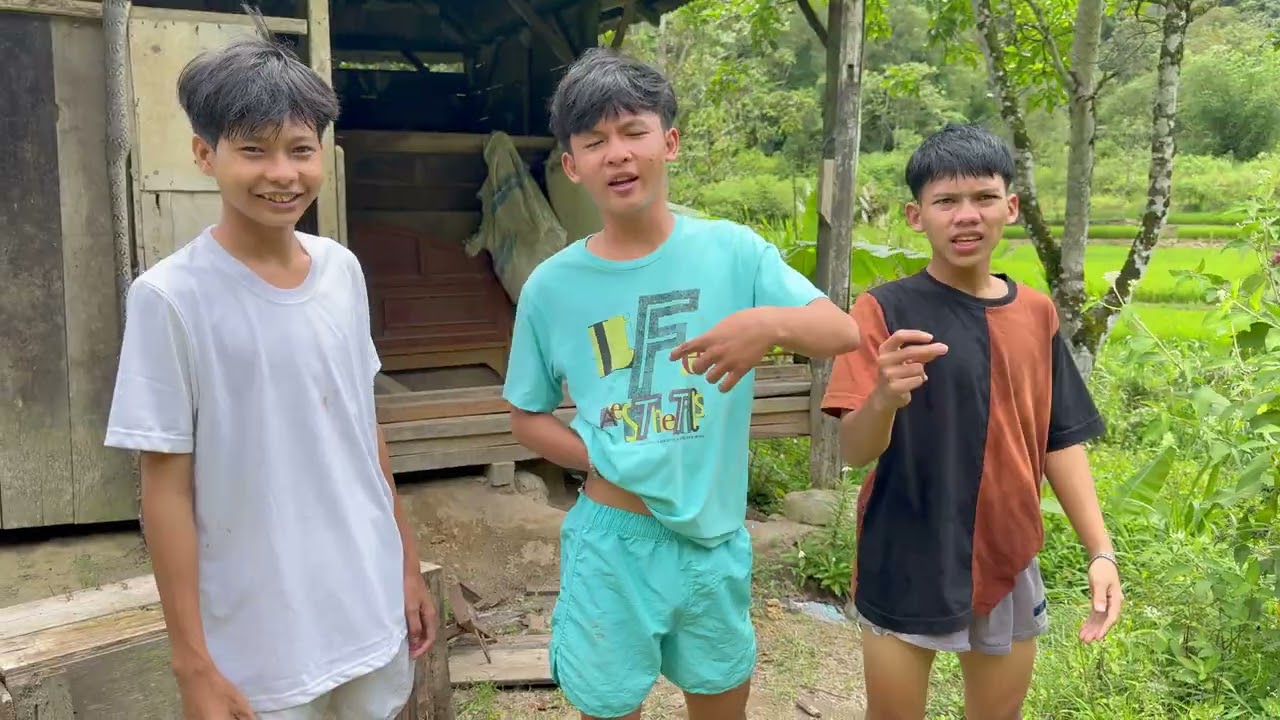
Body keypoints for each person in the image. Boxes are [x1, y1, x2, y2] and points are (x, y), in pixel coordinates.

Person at [502, 47, 861, 720]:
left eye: (633, 131)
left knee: (721, 699)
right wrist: (601, 457)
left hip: (714, 539)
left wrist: (764, 324)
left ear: (669, 141)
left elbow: (840, 333)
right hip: (612, 538)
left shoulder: (732, 252)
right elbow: (527, 415)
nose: (618, 154)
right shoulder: (552, 287)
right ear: (572, 165)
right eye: (594, 141)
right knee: (609, 707)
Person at [103, 27, 435, 720]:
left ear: (324, 154)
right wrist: (192, 662)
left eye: (300, 149)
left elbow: (362, 431)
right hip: (259, 642)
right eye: (253, 149)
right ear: (205, 153)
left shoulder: (341, 272)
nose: (281, 173)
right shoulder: (170, 297)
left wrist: (404, 565)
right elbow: (163, 490)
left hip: (365, 606)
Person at [820, 122, 1124, 719]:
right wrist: (883, 397)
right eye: (945, 201)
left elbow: (1058, 439)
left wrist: (1101, 551)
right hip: (904, 553)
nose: (966, 215)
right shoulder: (884, 309)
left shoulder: (1036, 313)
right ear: (916, 216)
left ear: (1009, 206)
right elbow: (854, 449)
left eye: (983, 198)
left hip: (1007, 553)